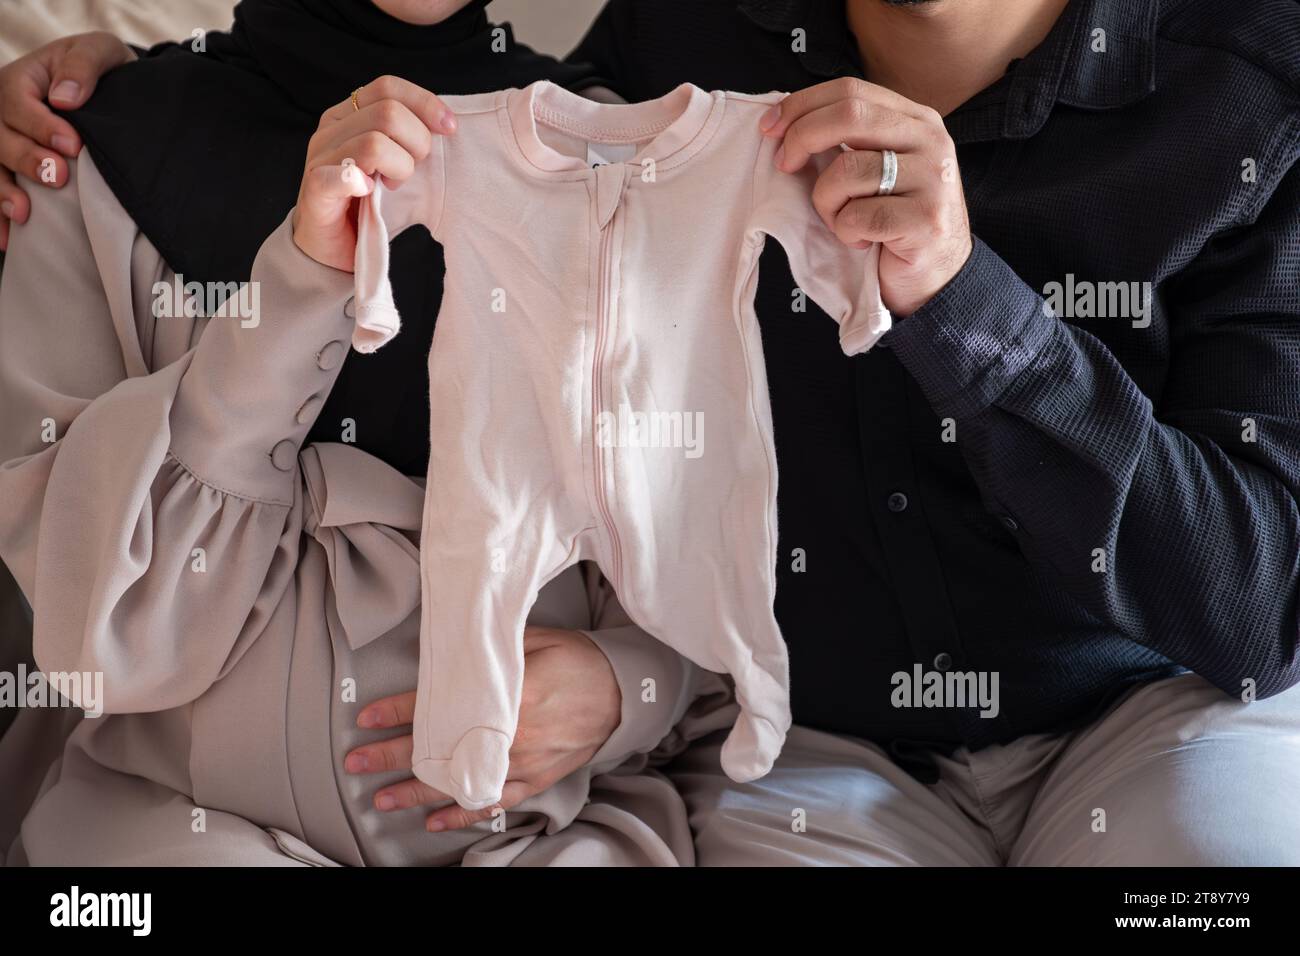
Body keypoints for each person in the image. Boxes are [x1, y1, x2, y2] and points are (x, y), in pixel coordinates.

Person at [5, 0, 1300, 865]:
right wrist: (108, 89)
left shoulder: (1248, 96)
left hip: (1149, 706)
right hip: (798, 749)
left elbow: (1260, 602)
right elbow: (104, 637)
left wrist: (963, 301)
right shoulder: (674, 44)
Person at [0, 0, 733, 867]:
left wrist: (628, 688)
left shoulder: (621, 155)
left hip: (554, 841)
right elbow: (95, 628)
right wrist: (304, 284)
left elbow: (715, 576)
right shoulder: (82, 149)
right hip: (162, 838)